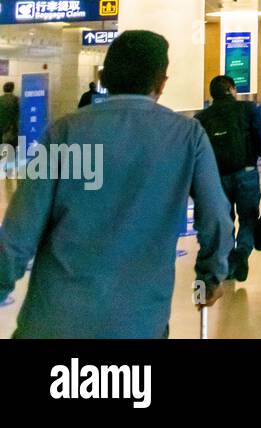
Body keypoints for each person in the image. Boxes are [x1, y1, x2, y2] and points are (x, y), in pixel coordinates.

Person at [0, 30, 232, 337]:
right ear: (162, 82)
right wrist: (210, 277)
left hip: (52, 321)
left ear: (104, 78)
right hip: (138, 323)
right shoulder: (188, 136)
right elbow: (216, 217)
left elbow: (18, 232)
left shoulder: (63, 132)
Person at [196, 75, 261, 283]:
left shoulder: (202, 118)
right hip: (246, 172)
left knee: (225, 221)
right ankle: (241, 253)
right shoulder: (248, 109)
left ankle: (227, 262)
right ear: (232, 89)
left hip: (217, 177)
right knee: (249, 218)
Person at [0, 81, 18, 150]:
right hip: (12, 127)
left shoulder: (0, 99)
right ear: (12, 89)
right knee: (12, 147)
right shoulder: (16, 99)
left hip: (1, 127)